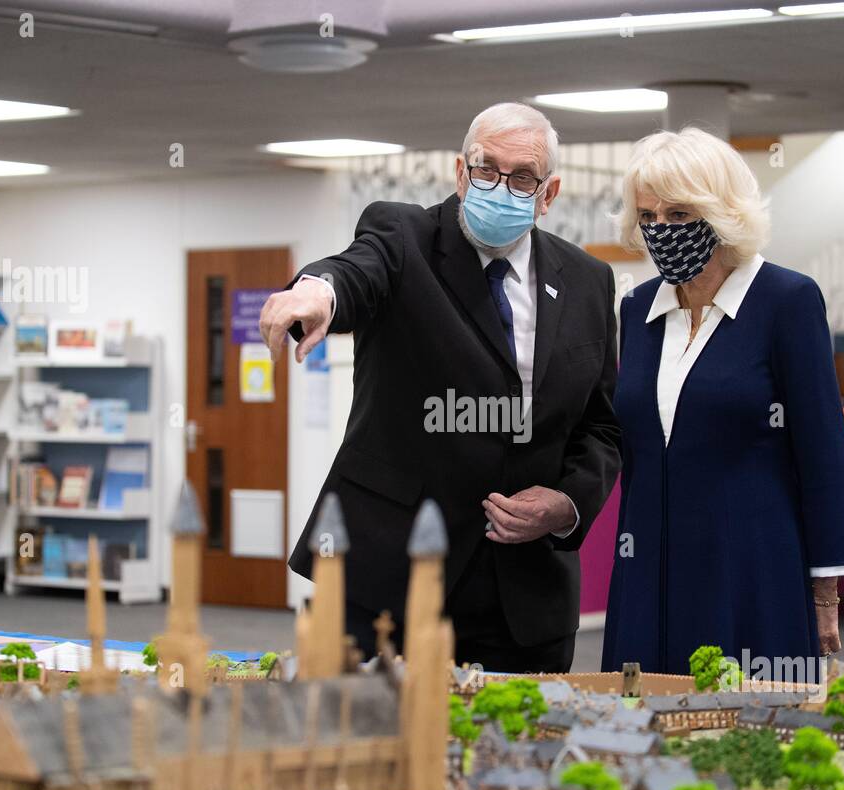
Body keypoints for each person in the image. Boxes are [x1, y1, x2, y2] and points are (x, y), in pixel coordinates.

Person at [260, 102, 621, 673]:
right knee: (362, 745)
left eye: (522, 176)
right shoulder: (403, 237)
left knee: (516, 751)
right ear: (461, 172)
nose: (500, 186)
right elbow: (358, 269)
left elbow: (600, 426)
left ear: (547, 195)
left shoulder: (588, 281)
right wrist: (320, 291)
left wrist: (568, 504)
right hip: (392, 571)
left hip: (523, 591)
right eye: (486, 169)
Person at [603, 127, 844, 677]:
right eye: (648, 217)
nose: (660, 231)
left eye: (678, 215)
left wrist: (825, 594)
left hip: (751, 572)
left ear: (721, 214)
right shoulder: (636, 310)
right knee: (643, 731)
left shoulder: (786, 301)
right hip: (648, 570)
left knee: (743, 737)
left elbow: (822, 452)